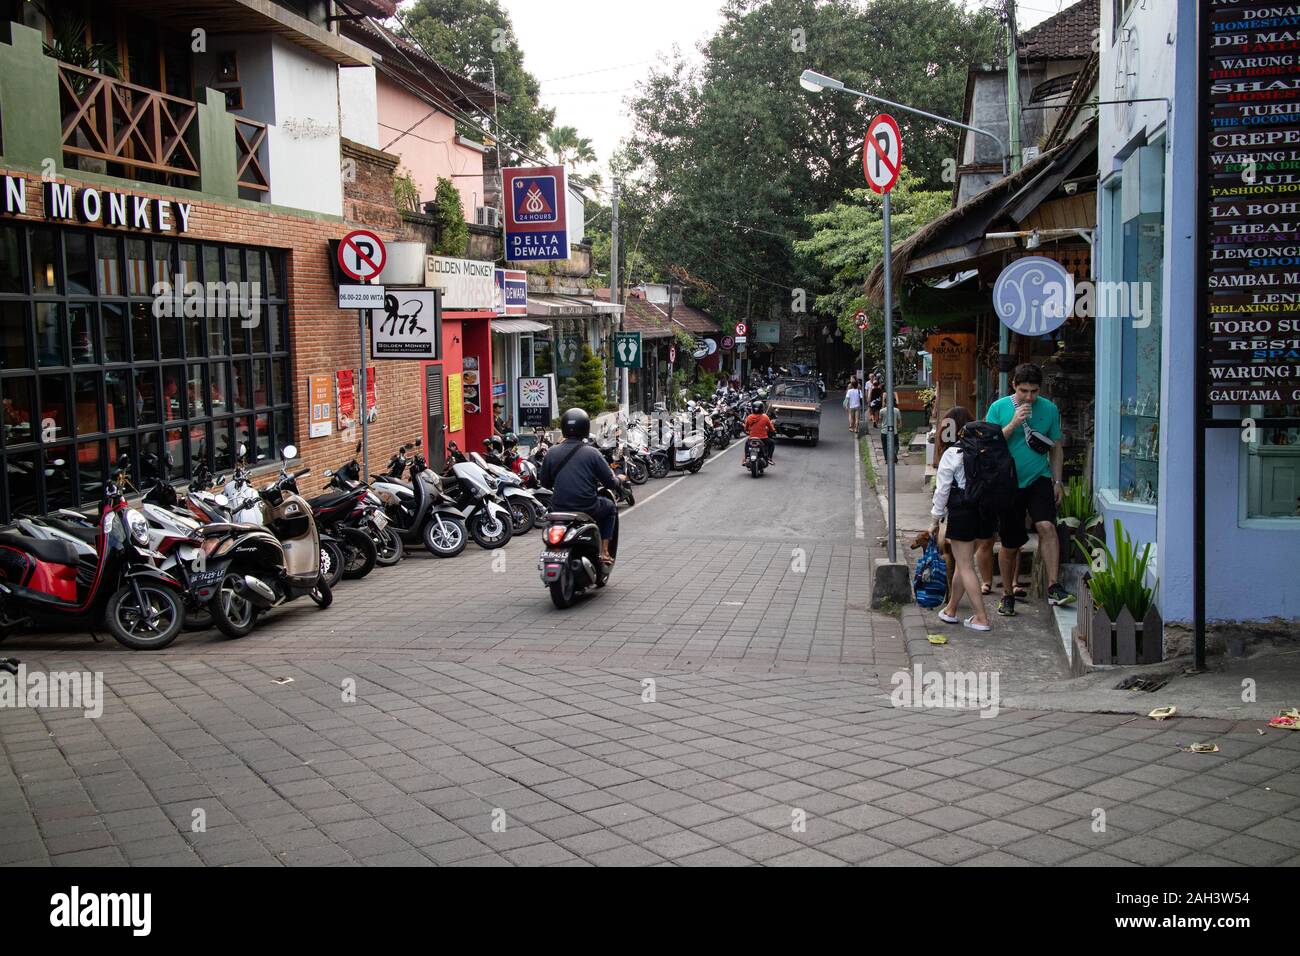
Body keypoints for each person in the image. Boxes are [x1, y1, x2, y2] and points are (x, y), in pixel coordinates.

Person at [985, 363, 1073, 615]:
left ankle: (1054, 585)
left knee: (1046, 526)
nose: (1029, 397)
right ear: (1014, 385)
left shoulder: (1049, 409)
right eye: (1024, 391)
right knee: (1010, 543)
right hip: (1009, 481)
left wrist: (1057, 481)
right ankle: (1008, 594)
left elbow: (1056, 447)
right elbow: (990, 443)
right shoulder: (999, 408)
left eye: (1034, 391)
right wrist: (1014, 422)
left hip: (1039, 478)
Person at [929, 406, 992, 631]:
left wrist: (935, 520)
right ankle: (951, 610)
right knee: (961, 564)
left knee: (965, 565)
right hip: (984, 512)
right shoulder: (985, 448)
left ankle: (981, 618)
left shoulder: (952, 454)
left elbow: (942, 490)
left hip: (963, 512)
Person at [538, 408, 625, 565]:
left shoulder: (551, 452)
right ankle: (604, 551)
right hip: (587, 507)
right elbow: (609, 482)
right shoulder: (592, 453)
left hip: (558, 508)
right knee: (610, 507)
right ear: (585, 428)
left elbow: (545, 483)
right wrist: (619, 479)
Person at [744, 399, 776, 464]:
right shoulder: (765, 417)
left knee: (746, 444)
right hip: (763, 438)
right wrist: (773, 431)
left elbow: (746, 428)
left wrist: (748, 431)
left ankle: (746, 458)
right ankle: (769, 458)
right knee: (772, 443)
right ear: (762, 408)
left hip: (751, 438)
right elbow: (771, 428)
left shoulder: (749, 417)